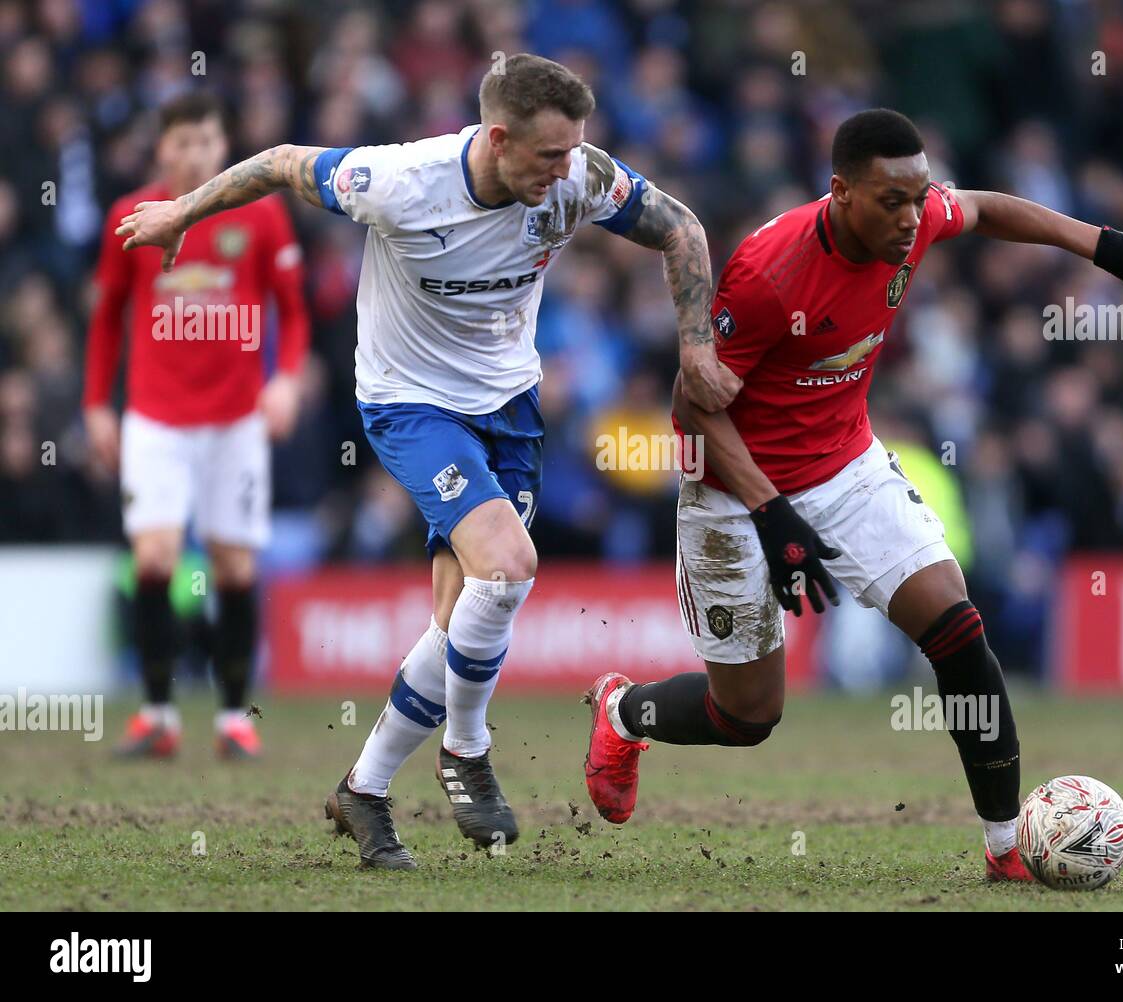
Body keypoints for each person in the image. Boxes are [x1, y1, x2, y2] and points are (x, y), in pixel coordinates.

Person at [116, 54, 737, 868]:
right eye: (549, 156)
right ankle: (468, 750)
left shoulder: (578, 176)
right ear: (499, 137)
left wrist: (695, 348)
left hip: (509, 409)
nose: (566, 173)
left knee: (462, 618)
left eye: (574, 153)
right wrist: (182, 214)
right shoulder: (400, 179)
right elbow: (278, 163)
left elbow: (681, 229)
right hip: (410, 405)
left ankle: (363, 791)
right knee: (509, 569)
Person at [582, 108, 1123, 881]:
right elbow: (692, 408)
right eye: (892, 202)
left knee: (958, 626)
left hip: (847, 465)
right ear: (840, 192)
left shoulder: (918, 214)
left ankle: (1006, 846)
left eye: (917, 197)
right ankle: (623, 711)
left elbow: (982, 207)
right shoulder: (769, 274)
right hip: (735, 492)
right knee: (746, 717)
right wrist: (773, 513)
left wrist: (1105, 246)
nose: (913, 219)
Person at [85, 92, 308, 760]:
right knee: (153, 557)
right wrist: (98, 404)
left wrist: (287, 379)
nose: (194, 154)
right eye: (181, 142)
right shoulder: (130, 217)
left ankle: (234, 717)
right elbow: (106, 317)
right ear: (162, 149)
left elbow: (293, 313)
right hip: (156, 418)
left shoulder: (262, 215)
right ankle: (157, 714)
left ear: (222, 145)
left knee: (233, 566)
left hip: (236, 421)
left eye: (206, 141)